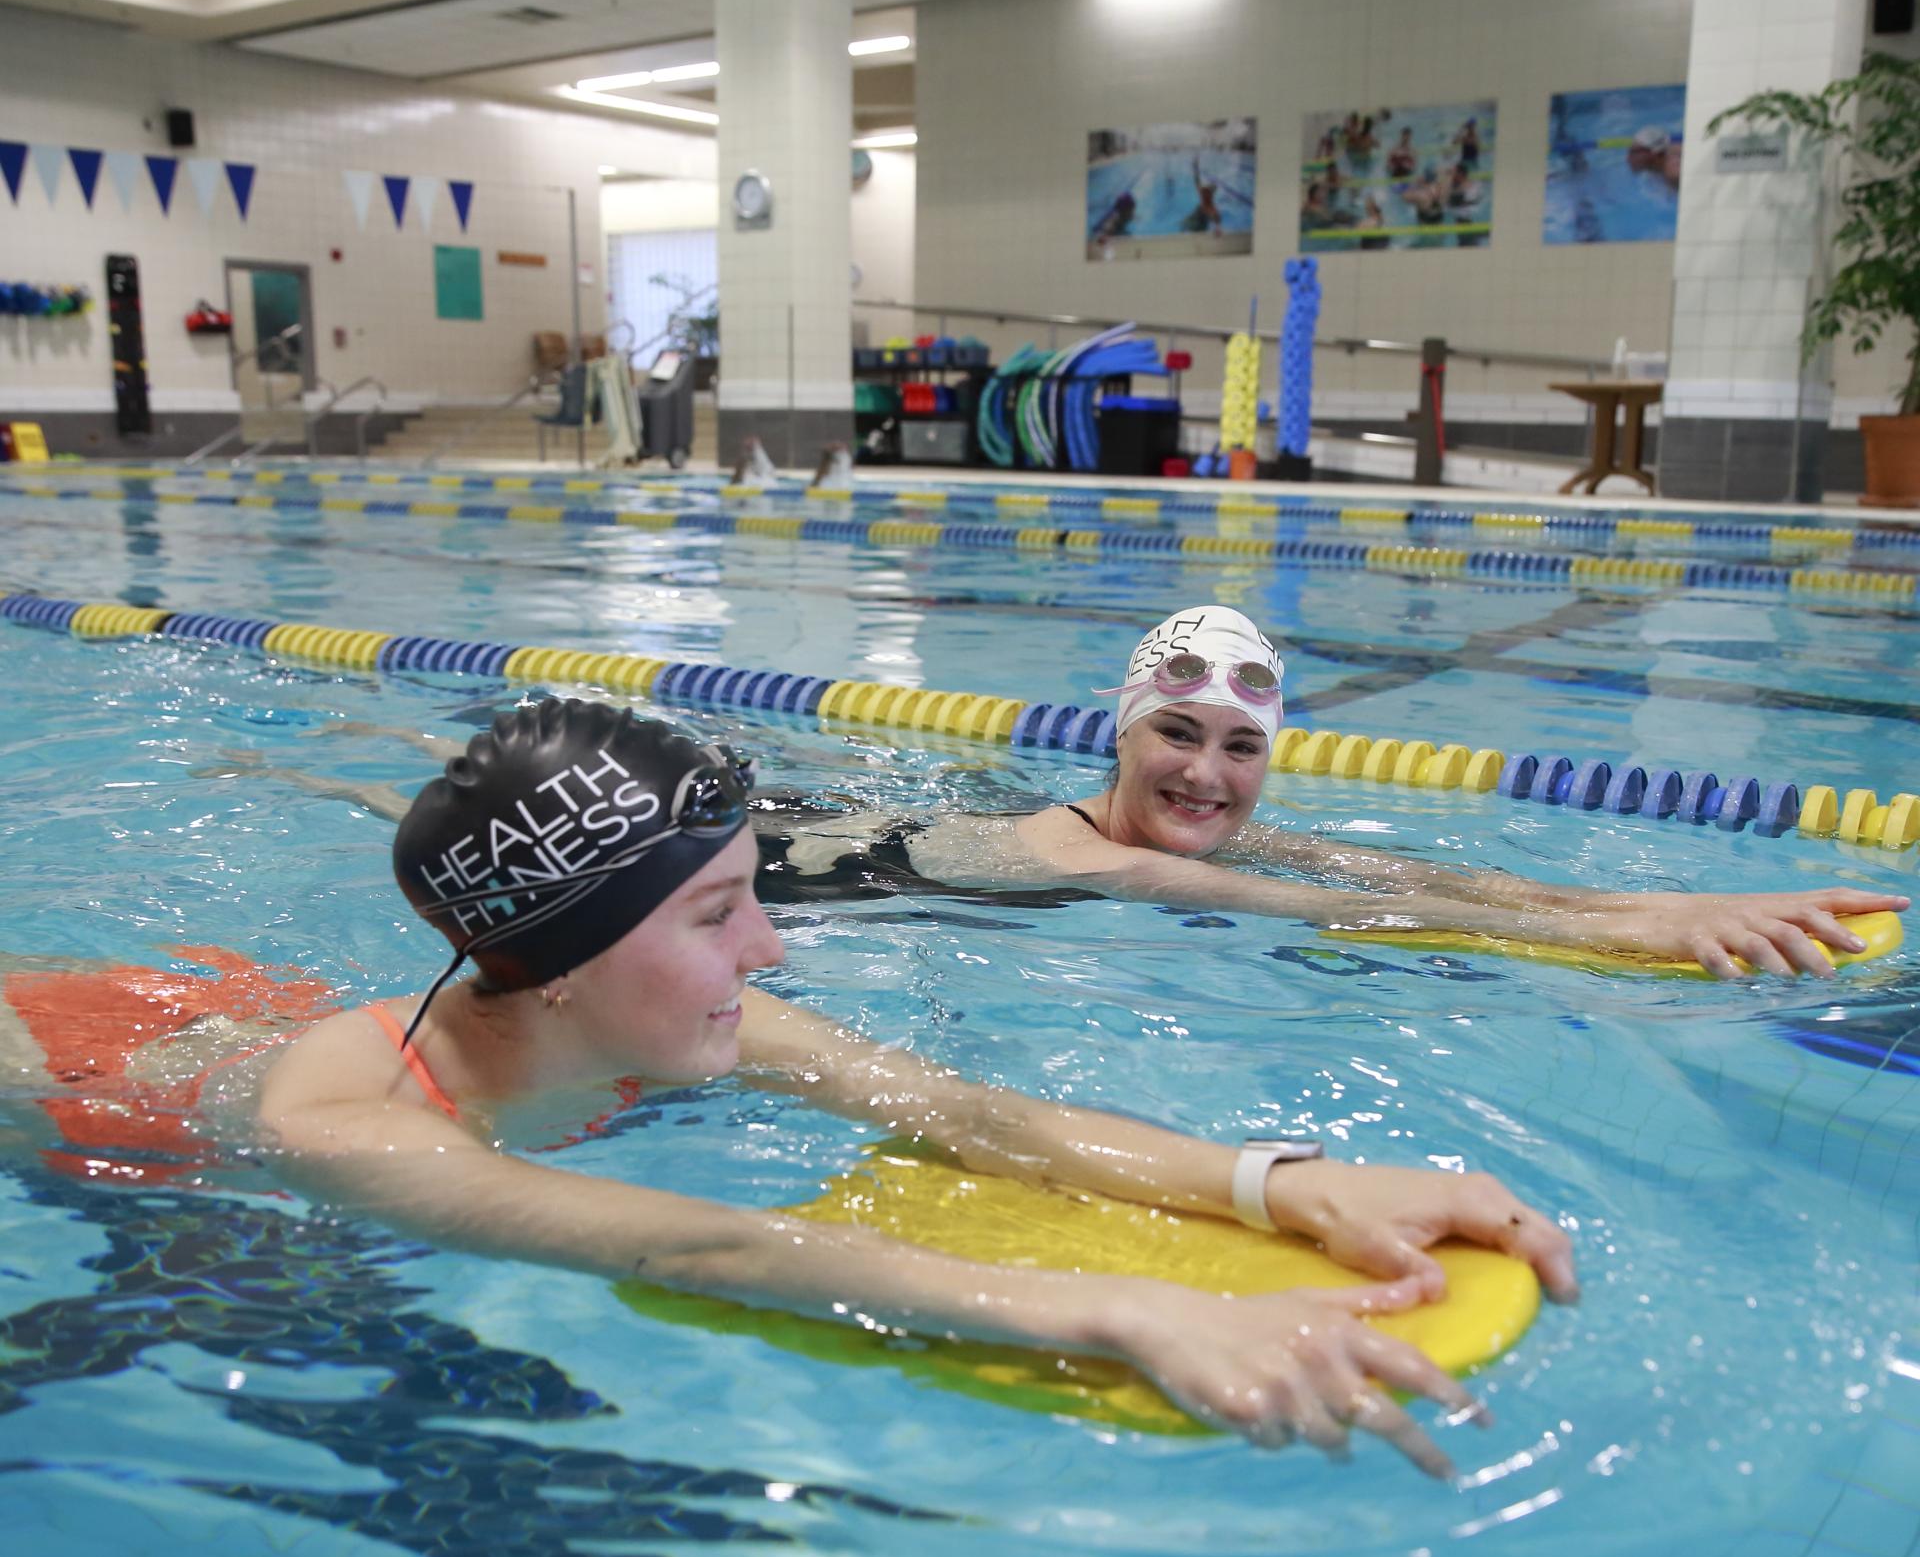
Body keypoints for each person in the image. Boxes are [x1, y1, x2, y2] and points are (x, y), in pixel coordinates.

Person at [229, 698, 1582, 1475]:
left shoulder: (649, 1001)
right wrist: (1131, 1310)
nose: (764, 951)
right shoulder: (344, 1125)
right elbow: (702, 1241)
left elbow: (975, 1119)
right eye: (713, 917)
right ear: (566, 961)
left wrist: (1284, 1185)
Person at [203, 608, 1907, 980]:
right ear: (1120, 740)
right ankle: (286, 745)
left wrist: (1638, 907)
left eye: (1241, 752)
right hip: (769, 862)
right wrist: (1667, 921)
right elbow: (1355, 910)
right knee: (403, 800)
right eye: (1179, 741)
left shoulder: (1154, 826)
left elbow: (1405, 874)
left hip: (822, 823)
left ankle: (315, 742)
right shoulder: (1112, 862)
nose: (1210, 780)